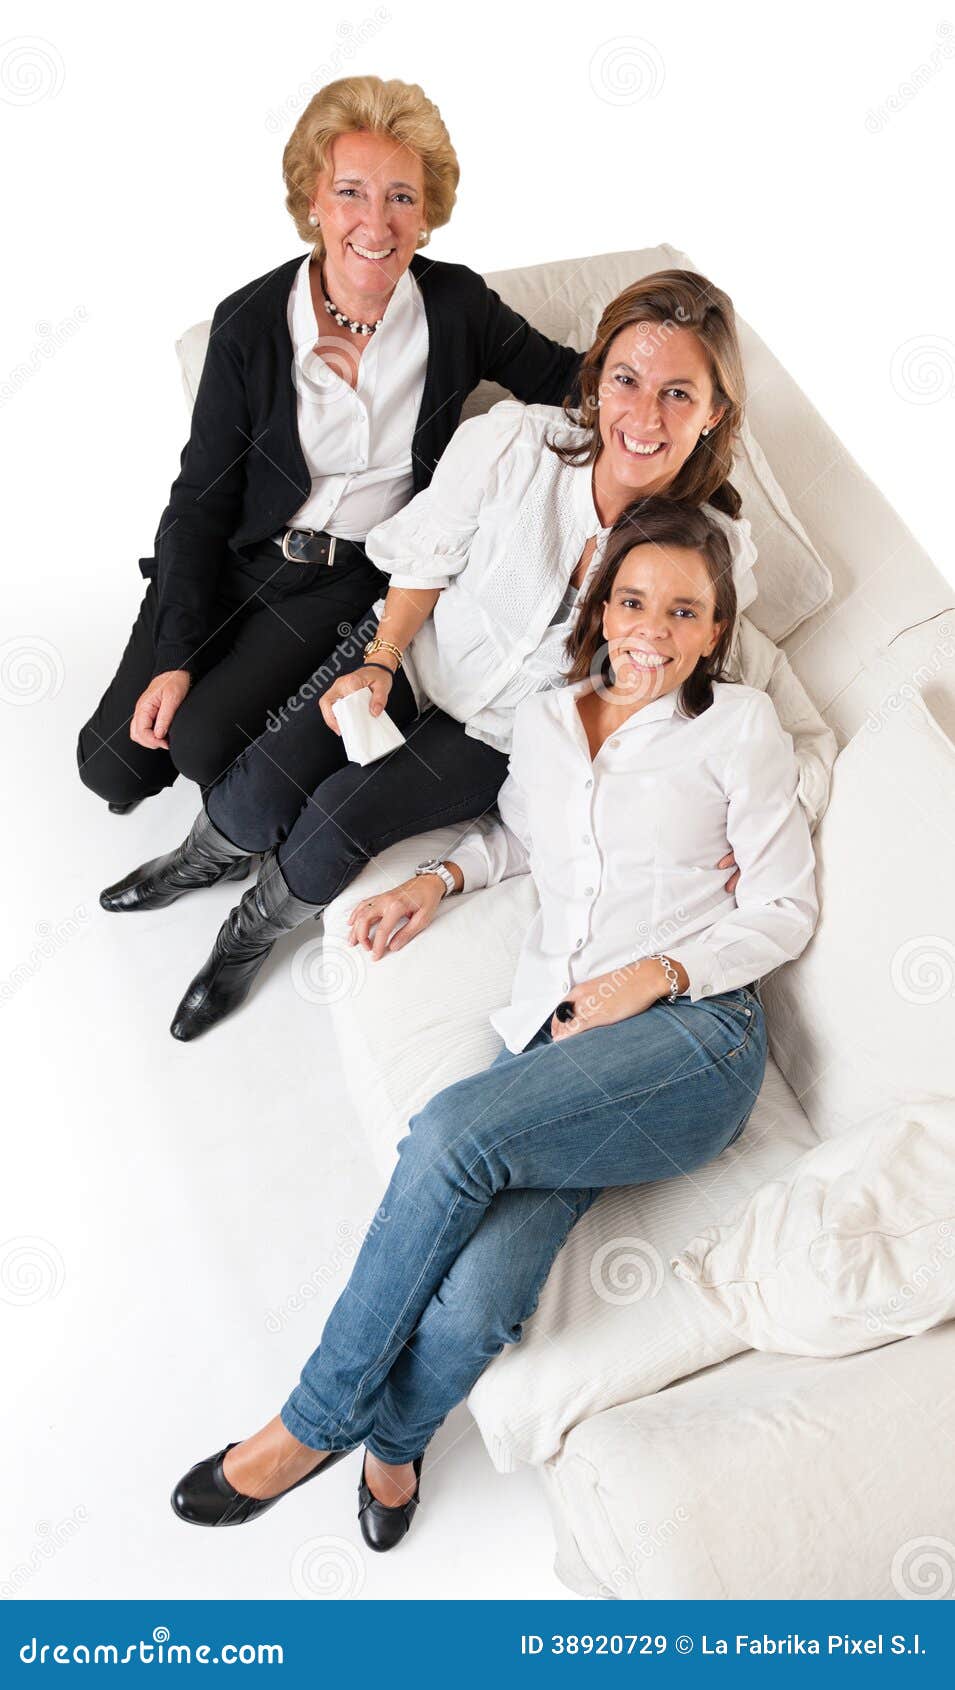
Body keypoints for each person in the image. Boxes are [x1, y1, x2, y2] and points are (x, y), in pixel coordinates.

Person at [169, 500, 818, 1549]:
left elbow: (784, 906)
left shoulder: (736, 728)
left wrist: (653, 974)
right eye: (634, 599)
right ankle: (395, 1446)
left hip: (692, 1040)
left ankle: (311, 1420)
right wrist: (435, 880)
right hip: (552, 1036)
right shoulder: (552, 722)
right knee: (476, 1306)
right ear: (603, 605)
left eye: (682, 611)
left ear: (712, 628)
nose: (650, 628)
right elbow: (520, 837)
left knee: (446, 1136)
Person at [100, 268, 835, 1042]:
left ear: (714, 413)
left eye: (677, 394)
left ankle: (241, 942)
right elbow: (424, 563)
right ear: (596, 379)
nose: (643, 415)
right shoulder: (515, 441)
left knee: (332, 826)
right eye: (626, 379)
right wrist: (379, 661)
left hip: (502, 740)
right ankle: (198, 860)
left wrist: (777, 818)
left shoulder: (709, 548)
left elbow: (744, 697)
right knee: (255, 793)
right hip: (412, 657)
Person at [76, 73, 581, 815]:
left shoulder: (456, 306)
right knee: (112, 769)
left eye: (400, 198)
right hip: (237, 558)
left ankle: (244, 775)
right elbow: (198, 502)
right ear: (311, 202)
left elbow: (568, 381)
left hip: (344, 581)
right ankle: (192, 687)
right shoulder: (248, 322)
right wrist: (177, 657)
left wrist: (664, 377)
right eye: (350, 192)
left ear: (426, 213)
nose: (374, 225)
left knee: (203, 744)